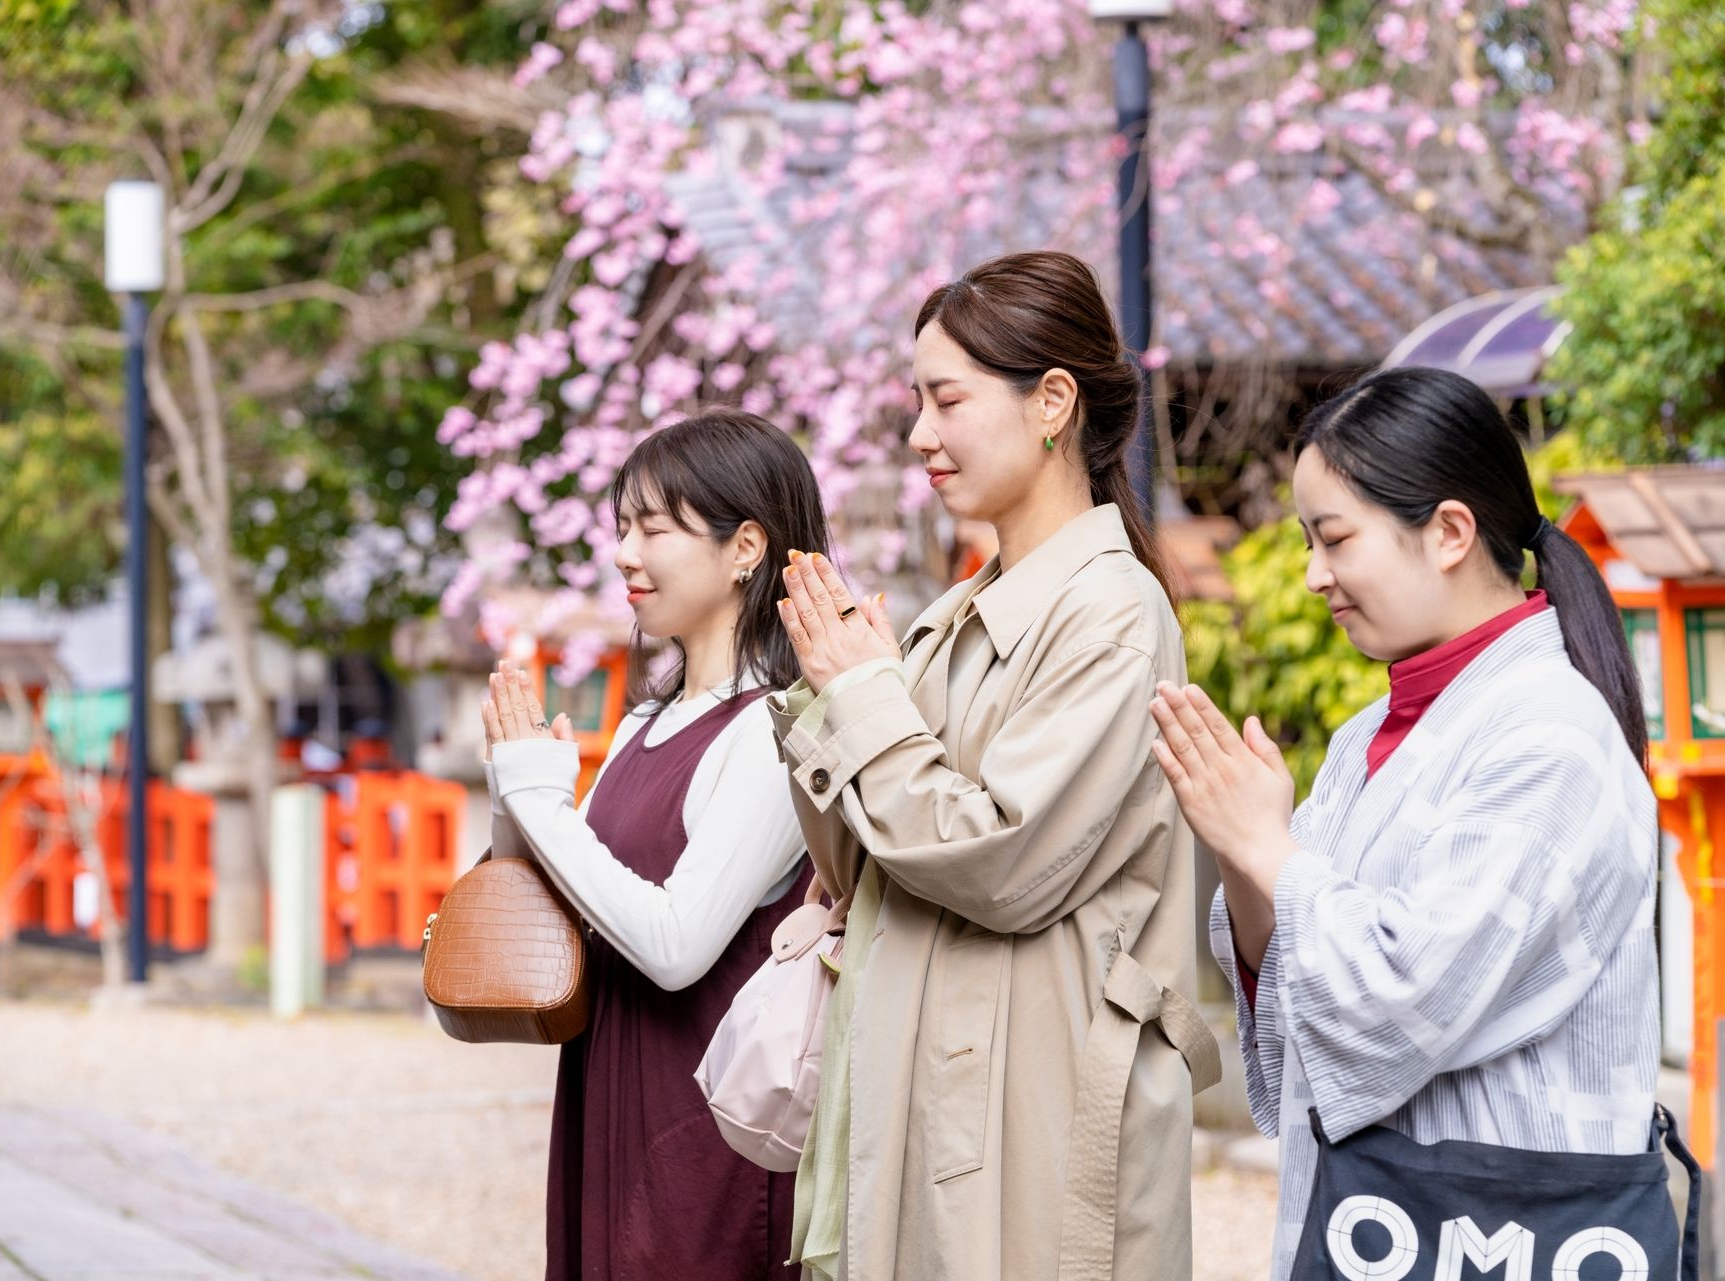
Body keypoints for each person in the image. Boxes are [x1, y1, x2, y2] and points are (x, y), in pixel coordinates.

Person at [1149, 366, 1660, 1280]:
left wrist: (1272, 847)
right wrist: (1240, 851)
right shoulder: (1361, 740)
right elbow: (1297, 1002)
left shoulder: (1552, 737)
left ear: (1450, 531)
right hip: (1387, 1215)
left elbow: (1401, 998)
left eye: (1334, 539)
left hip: (1501, 1218)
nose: (1314, 576)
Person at [767, 250, 1219, 1281]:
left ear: (1052, 401)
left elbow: (996, 862)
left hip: (1036, 1101)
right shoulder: (950, 616)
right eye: (916, 401)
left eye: (948, 399)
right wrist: (830, 688)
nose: (920, 434)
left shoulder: (1113, 611)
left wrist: (866, 698)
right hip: (934, 1078)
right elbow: (856, 866)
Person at [481, 408, 830, 1281]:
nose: (624, 555)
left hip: (705, 1134)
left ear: (745, 546)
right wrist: (514, 794)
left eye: (654, 528)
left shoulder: (774, 729)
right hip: (611, 1097)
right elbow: (563, 905)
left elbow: (676, 946)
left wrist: (540, 795)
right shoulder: (647, 719)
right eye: (620, 528)